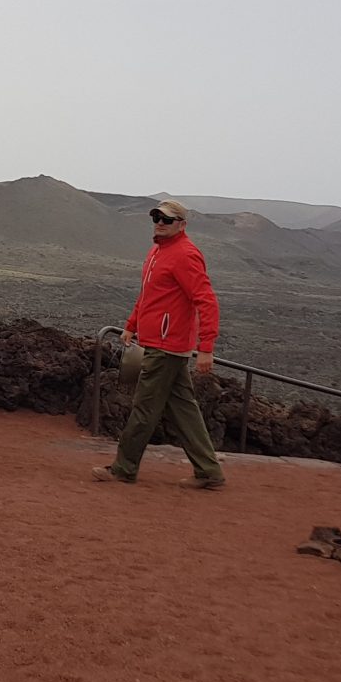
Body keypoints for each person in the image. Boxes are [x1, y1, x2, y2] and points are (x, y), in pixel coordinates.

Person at [92, 199, 227, 490]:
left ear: (182, 224)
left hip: (166, 347)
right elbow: (150, 294)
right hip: (161, 343)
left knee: (144, 408)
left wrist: (206, 347)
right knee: (184, 409)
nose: (160, 223)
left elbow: (206, 300)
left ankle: (123, 468)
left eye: (167, 219)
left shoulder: (185, 255)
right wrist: (132, 324)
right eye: (157, 217)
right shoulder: (157, 251)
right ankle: (209, 471)